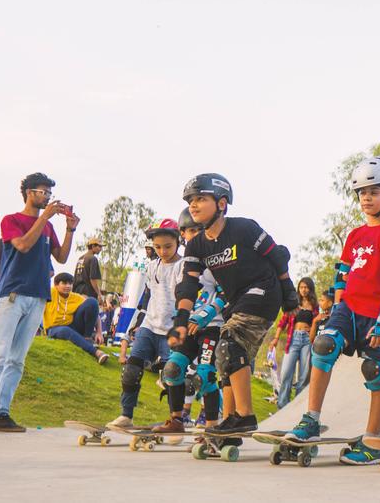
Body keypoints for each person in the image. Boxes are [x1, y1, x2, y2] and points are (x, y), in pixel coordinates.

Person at [286, 157, 380, 465]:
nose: (366, 198)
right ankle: (311, 419)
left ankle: (371, 439)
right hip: (349, 309)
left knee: (375, 372)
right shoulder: (354, 236)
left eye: (374, 192)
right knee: (323, 345)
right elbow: (342, 277)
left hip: (377, 314)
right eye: (362, 193)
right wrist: (337, 309)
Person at [174, 173, 296, 437]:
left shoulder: (244, 228)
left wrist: (289, 293)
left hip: (265, 291)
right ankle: (230, 420)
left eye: (201, 199)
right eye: (190, 200)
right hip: (236, 300)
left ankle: (245, 416)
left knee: (230, 343)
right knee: (225, 353)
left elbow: (278, 257)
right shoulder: (195, 244)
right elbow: (188, 285)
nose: (193, 205)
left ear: (221, 203)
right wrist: (181, 321)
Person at [0, 172, 79, 434]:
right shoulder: (12, 220)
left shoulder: (48, 226)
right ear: (30, 192)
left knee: (17, 360)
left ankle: (0, 413)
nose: (49, 197)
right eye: (44, 192)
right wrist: (44, 218)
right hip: (13, 293)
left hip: (39, 295)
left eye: (50, 193)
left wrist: (70, 229)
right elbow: (22, 245)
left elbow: (62, 257)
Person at [154, 209, 228, 434]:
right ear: (182, 234)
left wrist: (204, 316)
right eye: (188, 231)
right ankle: (176, 421)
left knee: (204, 375)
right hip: (187, 327)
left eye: (197, 230)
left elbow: (226, 293)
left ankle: (212, 427)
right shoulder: (181, 264)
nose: (193, 235)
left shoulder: (216, 260)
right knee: (172, 369)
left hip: (211, 326)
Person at [108, 219, 183, 429]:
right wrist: (136, 324)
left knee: (172, 374)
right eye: (157, 247)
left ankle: (176, 420)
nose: (163, 251)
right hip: (150, 325)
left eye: (168, 246)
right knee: (131, 369)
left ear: (178, 242)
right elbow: (147, 297)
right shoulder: (151, 266)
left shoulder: (184, 266)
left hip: (172, 329)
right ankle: (126, 416)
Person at [42, 272, 108, 363]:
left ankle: (87, 337)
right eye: (64, 283)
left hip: (72, 325)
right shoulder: (51, 292)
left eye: (70, 283)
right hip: (54, 328)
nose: (68, 286)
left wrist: (99, 332)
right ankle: (96, 352)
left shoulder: (75, 297)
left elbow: (96, 314)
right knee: (65, 330)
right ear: (56, 285)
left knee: (92, 302)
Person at [276, 278, 318, 409]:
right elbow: (283, 322)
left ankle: (298, 406)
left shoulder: (315, 306)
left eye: (306, 287)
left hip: (307, 340)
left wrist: (312, 329)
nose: (304, 290)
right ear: (298, 289)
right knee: (286, 373)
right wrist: (276, 338)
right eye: (301, 287)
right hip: (293, 338)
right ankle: (282, 405)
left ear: (310, 289)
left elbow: (318, 322)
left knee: (304, 376)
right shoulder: (294, 304)